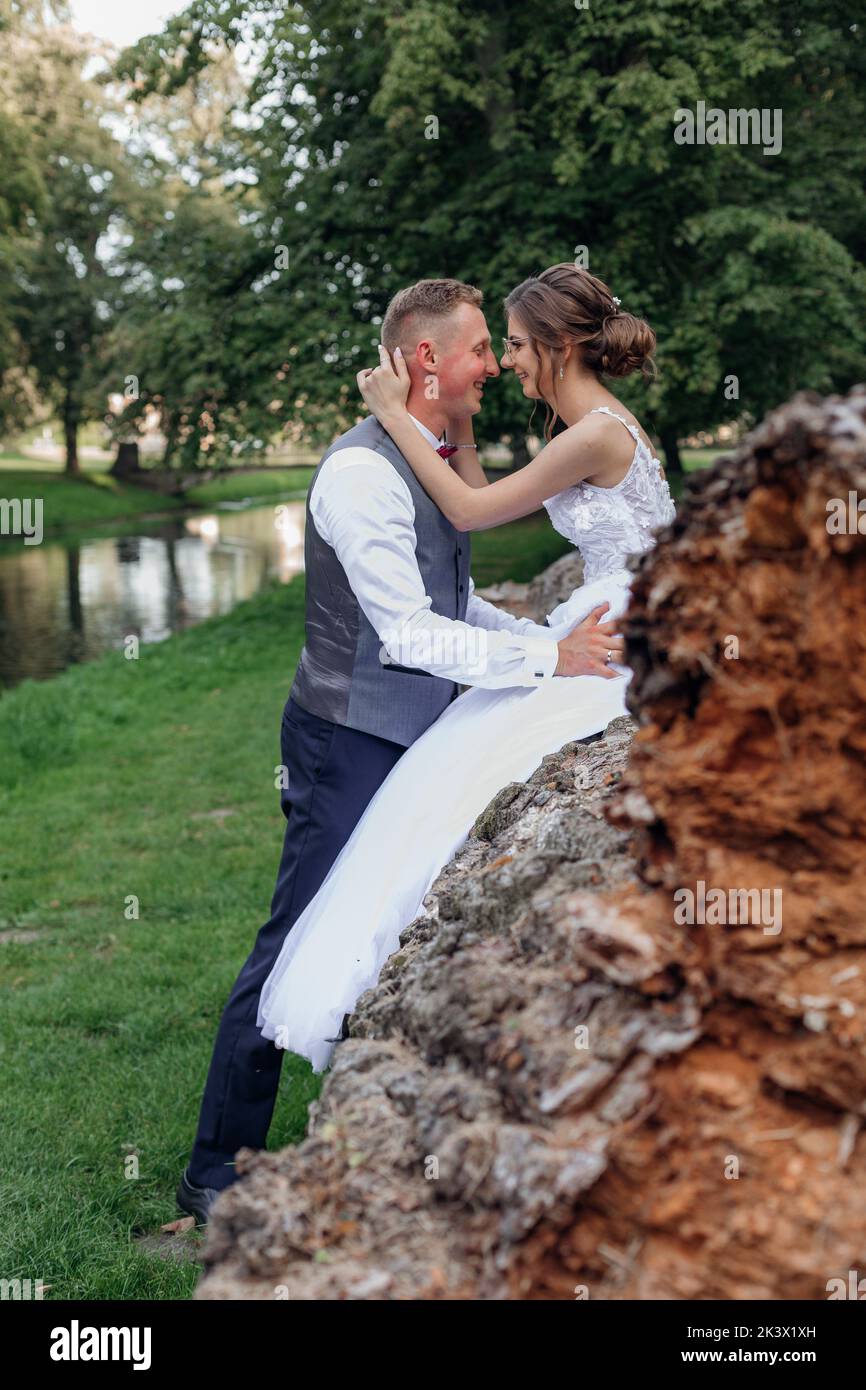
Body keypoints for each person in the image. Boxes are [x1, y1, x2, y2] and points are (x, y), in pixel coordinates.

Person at [177, 276, 622, 1223]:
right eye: (476, 351)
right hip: (346, 735)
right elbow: (410, 637)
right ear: (428, 362)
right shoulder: (362, 474)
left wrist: (534, 636)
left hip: (400, 729)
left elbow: (450, 604)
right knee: (296, 936)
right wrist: (548, 656)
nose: (493, 369)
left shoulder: (430, 452)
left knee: (380, 923)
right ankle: (216, 1170)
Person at [254, 263, 675, 1076]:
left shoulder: (594, 433)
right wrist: (454, 416)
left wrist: (396, 411)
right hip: (593, 612)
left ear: (557, 345)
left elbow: (466, 509)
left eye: (513, 345)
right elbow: (477, 490)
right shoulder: (574, 430)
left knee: (458, 776)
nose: (506, 361)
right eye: (492, 348)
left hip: (625, 623)